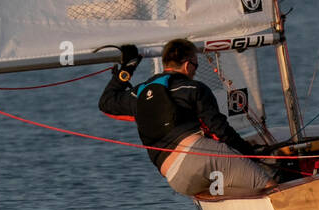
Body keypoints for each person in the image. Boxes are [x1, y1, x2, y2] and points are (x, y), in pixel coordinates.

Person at [99, 37, 278, 197]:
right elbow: (220, 131)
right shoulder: (194, 88)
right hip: (201, 158)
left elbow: (106, 102)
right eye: (195, 66)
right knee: (269, 184)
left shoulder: (139, 93)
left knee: (242, 184)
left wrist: (128, 67)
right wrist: (251, 154)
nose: (194, 71)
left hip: (177, 179)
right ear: (187, 65)